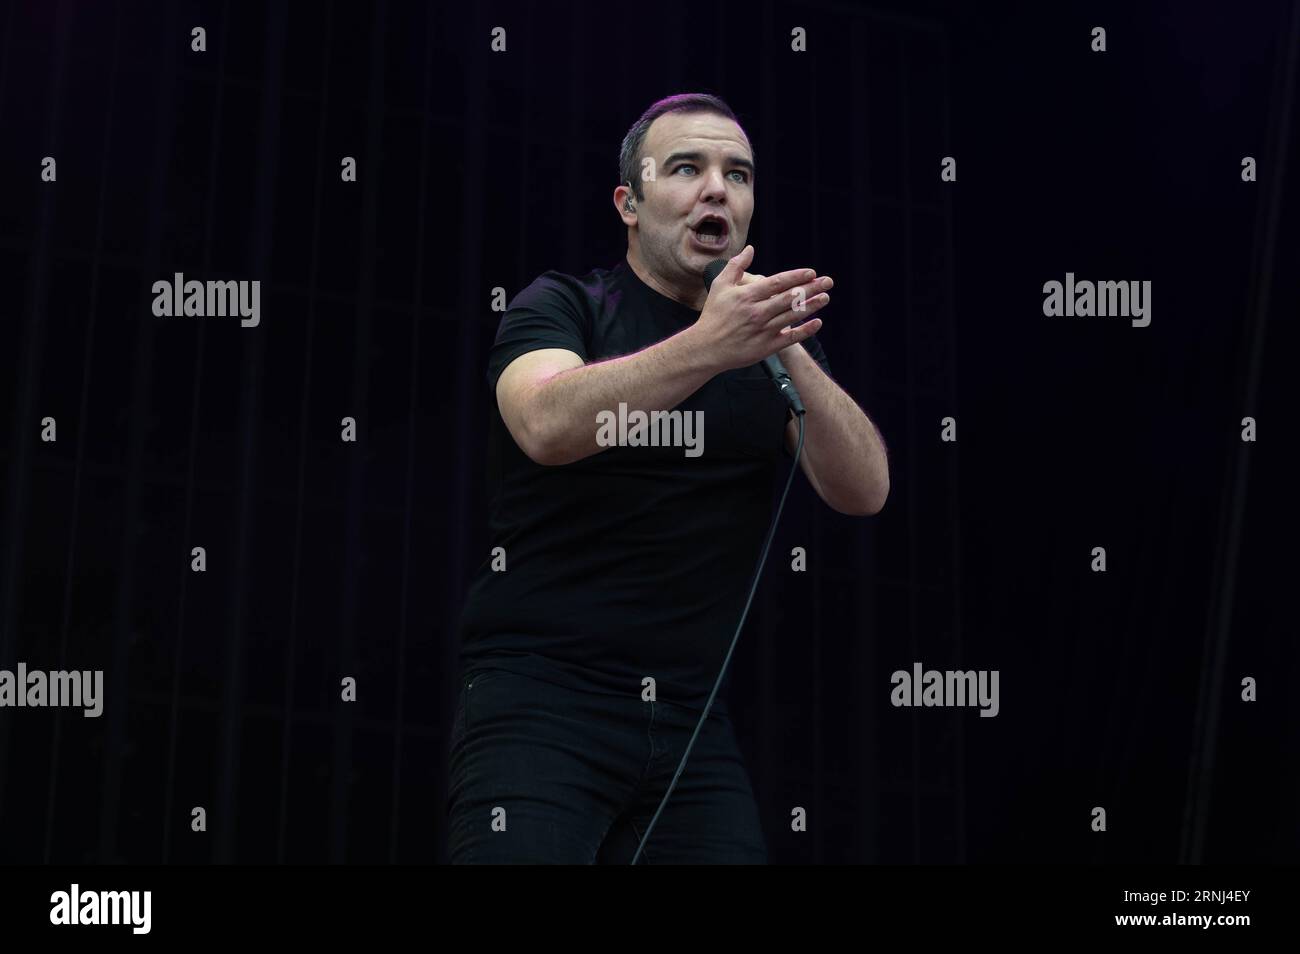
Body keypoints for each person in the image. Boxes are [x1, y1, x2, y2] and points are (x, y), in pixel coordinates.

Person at [446, 93, 890, 864]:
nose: (719, 189)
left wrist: (778, 345)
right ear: (630, 201)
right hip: (542, 701)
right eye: (687, 167)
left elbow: (864, 490)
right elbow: (546, 424)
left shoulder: (767, 349)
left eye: (739, 175)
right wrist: (709, 347)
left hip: (691, 721)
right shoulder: (564, 306)